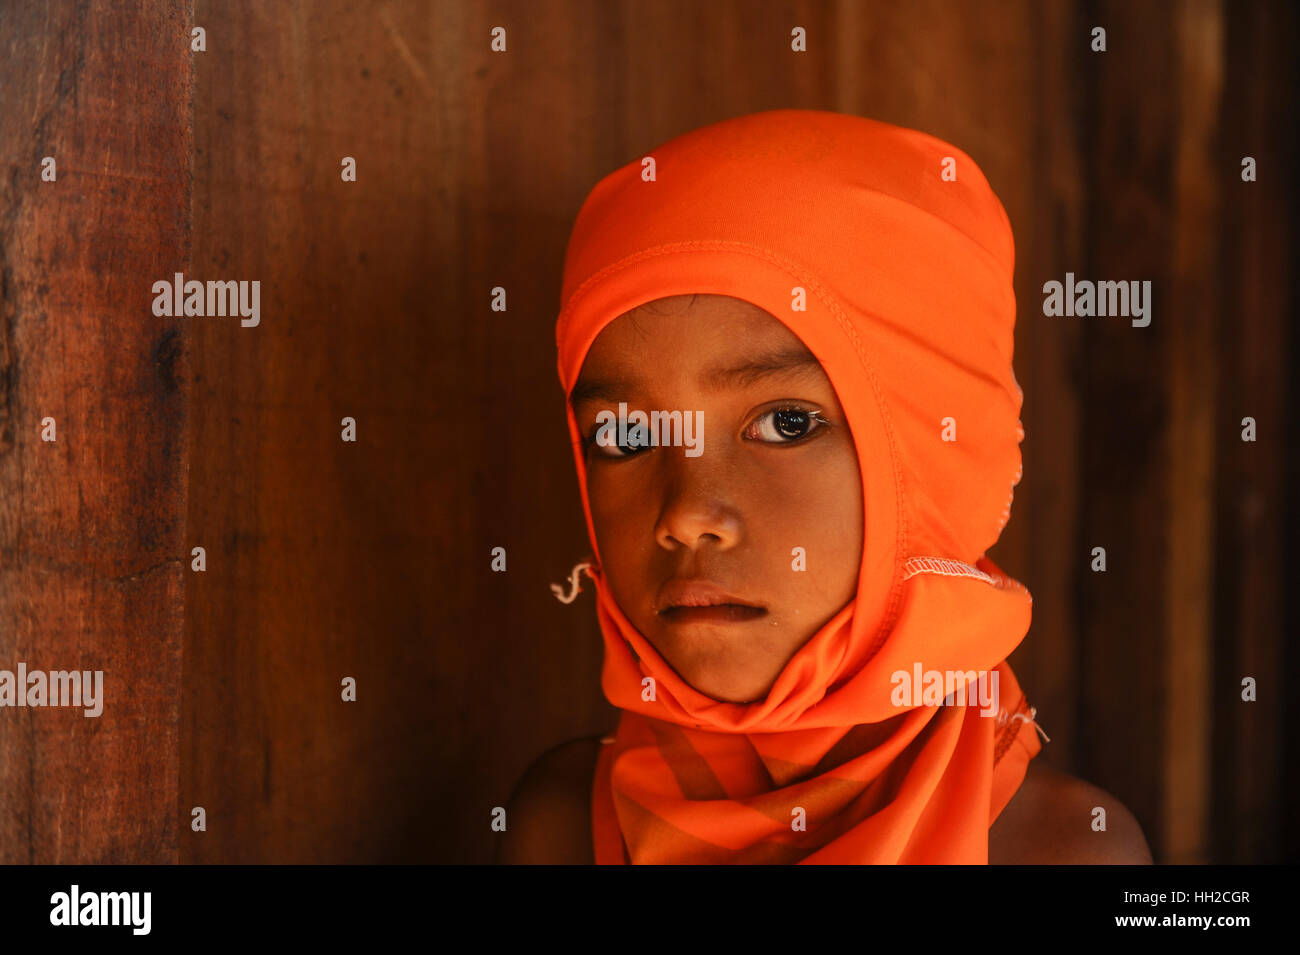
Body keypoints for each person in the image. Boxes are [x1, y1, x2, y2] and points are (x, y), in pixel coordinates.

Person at [500, 109, 1152, 864]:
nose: (684, 515)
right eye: (626, 436)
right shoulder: (563, 829)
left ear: (939, 458)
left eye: (784, 423)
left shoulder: (1067, 850)